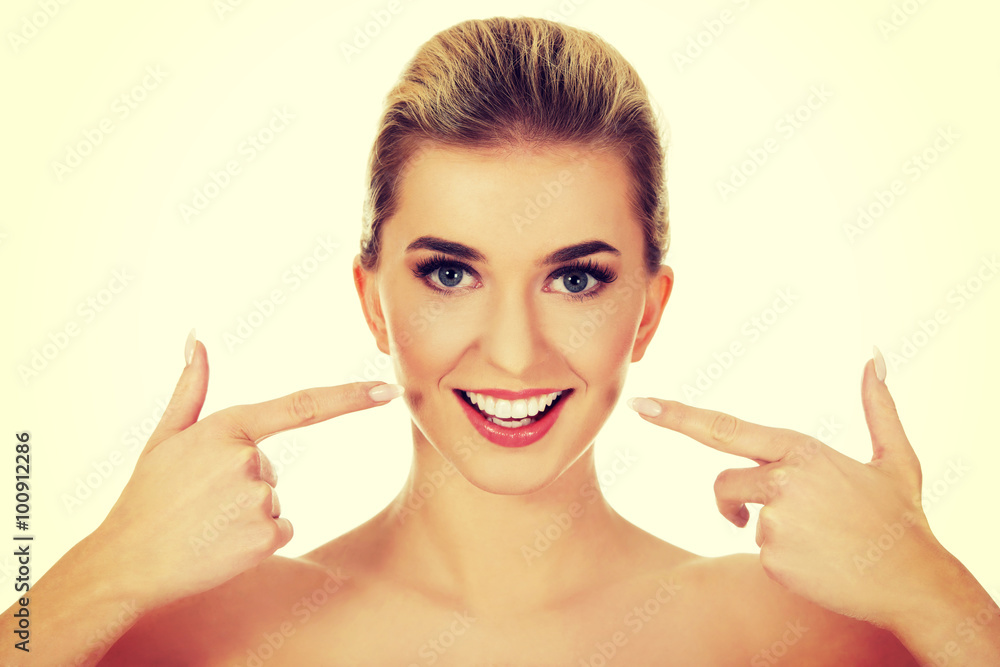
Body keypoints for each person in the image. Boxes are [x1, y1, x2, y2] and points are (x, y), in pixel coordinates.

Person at [5, 16, 998, 666]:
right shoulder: (186, 635)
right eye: (449, 273)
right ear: (372, 299)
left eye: (576, 277)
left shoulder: (808, 637)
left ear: (648, 308)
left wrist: (934, 591)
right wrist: (105, 571)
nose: (515, 355)